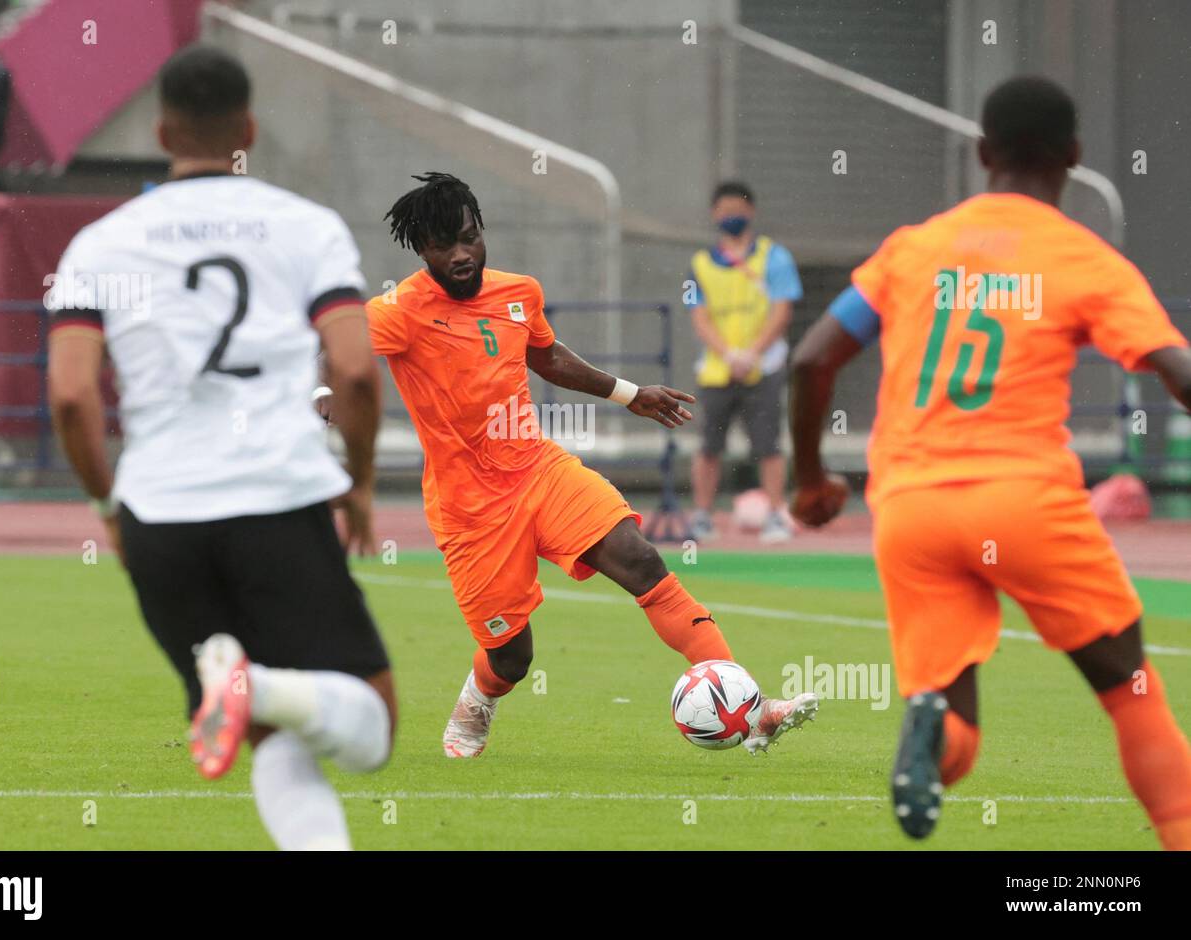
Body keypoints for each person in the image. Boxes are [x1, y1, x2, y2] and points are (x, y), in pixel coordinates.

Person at [788, 75, 1191, 848]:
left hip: (908, 508)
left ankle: (928, 735)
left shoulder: (914, 249)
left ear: (982, 153)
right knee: (1132, 691)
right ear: (1073, 154)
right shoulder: (1083, 258)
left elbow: (810, 360)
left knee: (952, 721)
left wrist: (811, 480)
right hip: (1024, 499)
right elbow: (1175, 368)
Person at [47, 45, 394, 851]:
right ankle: (254, 681)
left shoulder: (100, 243)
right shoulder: (306, 227)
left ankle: (244, 685)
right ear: (249, 127)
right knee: (372, 725)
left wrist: (108, 505)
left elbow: (70, 394)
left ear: (162, 129)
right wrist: (362, 480)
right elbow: (354, 370)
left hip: (162, 517)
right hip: (277, 500)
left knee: (274, 738)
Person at [365, 172, 818, 759]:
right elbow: (336, 346)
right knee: (513, 657)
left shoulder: (517, 292)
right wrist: (321, 392)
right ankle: (479, 698)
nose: (460, 254)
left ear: (481, 232)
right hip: (470, 507)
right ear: (421, 250)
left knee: (641, 559)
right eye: (442, 246)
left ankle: (751, 711)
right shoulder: (398, 310)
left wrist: (632, 394)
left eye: (469, 238)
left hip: (538, 470)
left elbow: (547, 355)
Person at [686, 181, 803, 544]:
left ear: (751, 211)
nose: (730, 216)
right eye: (724, 209)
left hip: (763, 366)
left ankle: (776, 515)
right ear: (713, 214)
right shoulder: (700, 264)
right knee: (708, 446)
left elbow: (783, 309)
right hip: (717, 370)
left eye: (737, 208)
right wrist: (728, 353)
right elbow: (699, 315)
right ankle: (702, 516)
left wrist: (753, 352)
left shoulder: (774, 257)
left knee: (768, 445)